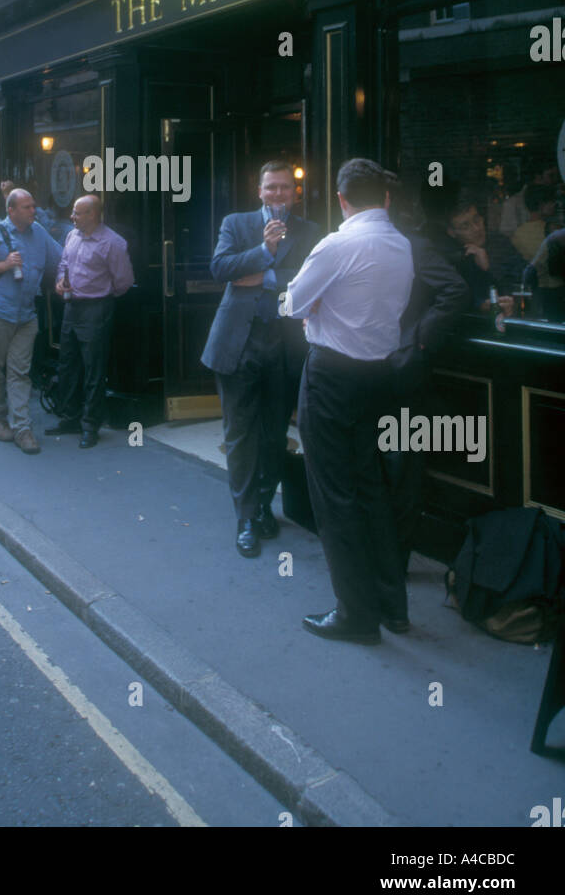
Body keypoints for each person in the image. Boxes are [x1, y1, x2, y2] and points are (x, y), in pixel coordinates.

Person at [282, 158, 414, 644]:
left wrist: (315, 306)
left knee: (334, 497)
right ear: (385, 198)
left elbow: (292, 304)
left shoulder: (337, 244)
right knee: (372, 488)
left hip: (332, 377)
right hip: (378, 377)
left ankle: (355, 617)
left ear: (341, 200)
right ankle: (392, 608)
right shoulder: (400, 244)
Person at [201, 161, 320, 557]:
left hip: (285, 346)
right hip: (239, 343)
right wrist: (264, 251)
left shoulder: (310, 232)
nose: (278, 195)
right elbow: (220, 268)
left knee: (273, 436)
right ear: (259, 191)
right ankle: (246, 518)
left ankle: (265, 504)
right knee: (240, 434)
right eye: (271, 188)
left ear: (295, 193)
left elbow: (309, 280)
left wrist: (261, 276)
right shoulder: (236, 224)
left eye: (285, 188)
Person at [386, 189, 470, 570]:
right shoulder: (354, 244)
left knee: (403, 464)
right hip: (361, 369)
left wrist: (419, 338)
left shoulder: (414, 246)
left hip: (402, 368)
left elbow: (455, 290)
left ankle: (397, 555)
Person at [0, 188, 62, 453]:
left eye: (34, 206)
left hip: (27, 314)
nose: (34, 211)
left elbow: (60, 258)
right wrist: (4, 265)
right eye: (27, 207)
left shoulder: (39, 233)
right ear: (11, 210)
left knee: (20, 372)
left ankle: (22, 429)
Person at [45, 194, 134, 448]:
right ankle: (70, 417)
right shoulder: (72, 236)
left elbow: (123, 282)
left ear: (93, 215)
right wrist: (61, 280)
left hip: (96, 308)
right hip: (72, 306)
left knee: (94, 368)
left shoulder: (113, 243)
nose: (72, 217)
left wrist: (102, 296)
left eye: (77, 212)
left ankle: (90, 425)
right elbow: (64, 263)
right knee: (68, 364)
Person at [445, 191, 524, 315]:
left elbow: (523, 280)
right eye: (466, 226)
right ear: (452, 232)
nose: (476, 228)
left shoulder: (501, 243)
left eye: (477, 220)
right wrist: (480, 306)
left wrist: (488, 268)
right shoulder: (453, 259)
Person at [500, 160, 558, 239]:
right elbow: (507, 235)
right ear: (538, 176)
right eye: (550, 175)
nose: (554, 180)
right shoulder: (512, 203)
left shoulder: (556, 199)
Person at [511, 184, 556, 262]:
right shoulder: (554, 229)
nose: (554, 205)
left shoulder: (517, 233)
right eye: (551, 201)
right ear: (541, 205)